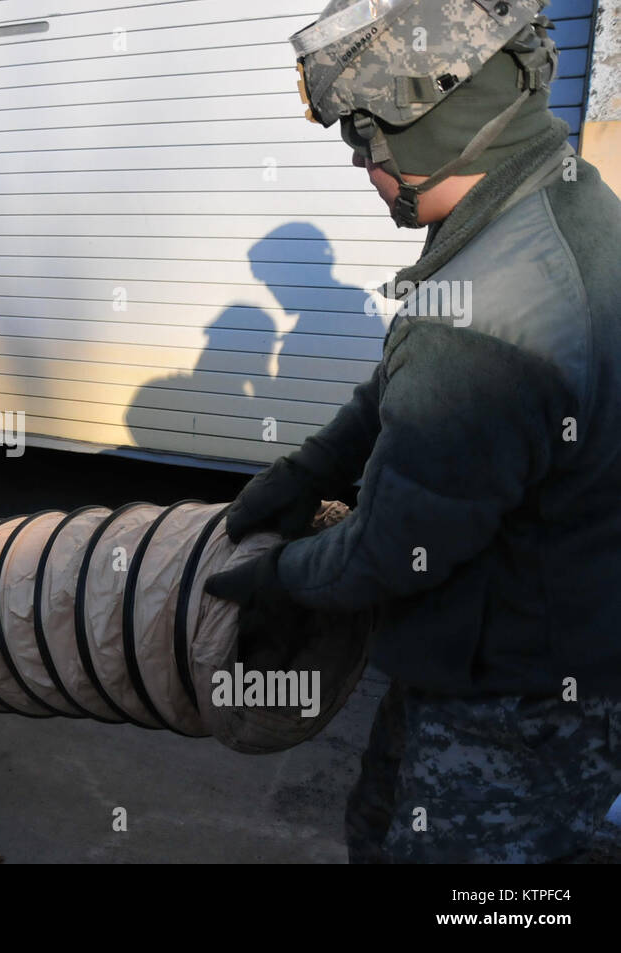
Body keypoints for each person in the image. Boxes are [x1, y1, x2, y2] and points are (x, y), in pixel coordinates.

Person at [204, 0, 621, 863]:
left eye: (364, 143)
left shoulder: (490, 313)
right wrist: (308, 468)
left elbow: (392, 548)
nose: (363, 167)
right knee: (382, 824)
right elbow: (411, 390)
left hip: (515, 699)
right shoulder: (554, 199)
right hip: (547, 645)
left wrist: (279, 574)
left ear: (416, 130)